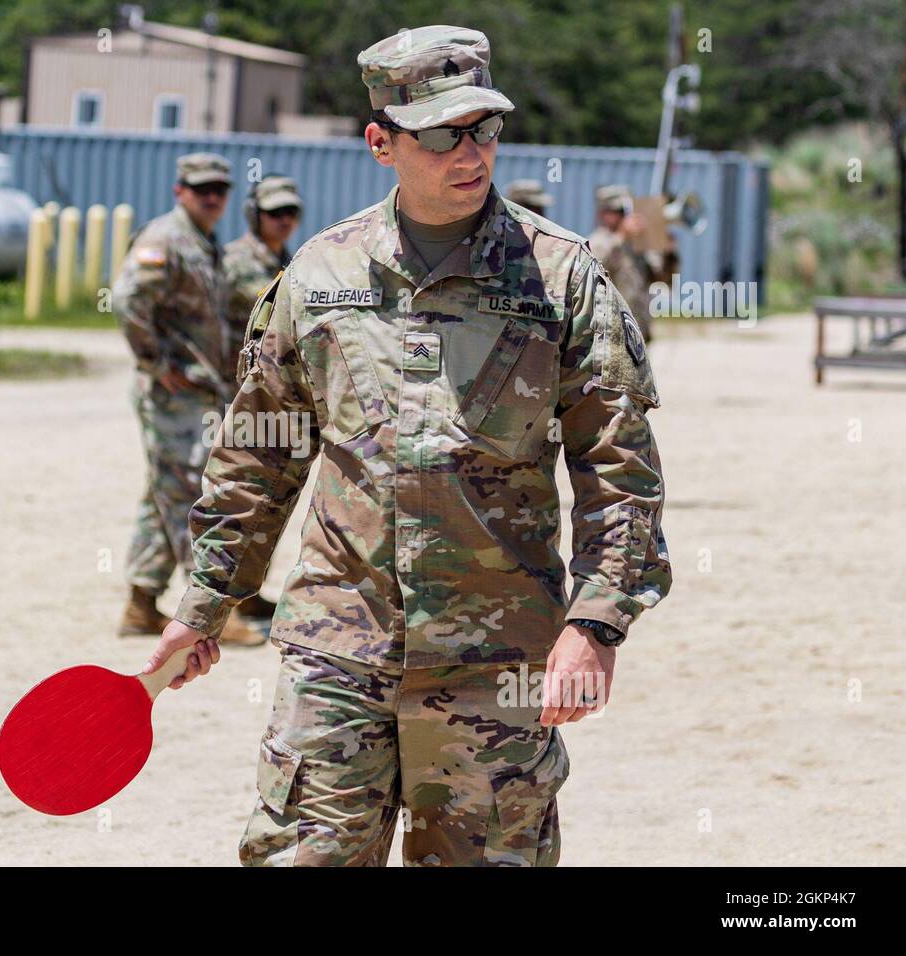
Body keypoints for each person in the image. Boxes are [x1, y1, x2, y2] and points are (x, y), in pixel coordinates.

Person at [145, 26, 672, 866]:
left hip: (495, 668)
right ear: (381, 141)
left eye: (485, 128)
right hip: (337, 654)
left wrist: (598, 623)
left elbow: (619, 469)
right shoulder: (319, 278)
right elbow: (257, 458)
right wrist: (204, 605)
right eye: (440, 134)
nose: (470, 153)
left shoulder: (562, 279)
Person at [110, 152, 265, 646]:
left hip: (198, 391)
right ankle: (206, 615)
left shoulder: (200, 241)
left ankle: (140, 604)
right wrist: (156, 363)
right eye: (202, 189)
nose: (214, 198)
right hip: (175, 393)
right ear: (180, 191)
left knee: (166, 495)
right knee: (191, 500)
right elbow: (127, 299)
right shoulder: (165, 239)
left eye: (221, 189)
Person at [222, 175, 303, 382]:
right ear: (254, 215)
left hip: (272, 377)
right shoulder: (232, 260)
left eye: (291, 212)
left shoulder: (294, 263)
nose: (285, 220)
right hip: (234, 379)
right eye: (275, 213)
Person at [588, 184, 668, 343]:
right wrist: (621, 236)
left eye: (625, 211)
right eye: (617, 212)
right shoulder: (597, 241)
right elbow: (594, 271)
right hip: (610, 333)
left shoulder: (634, 245)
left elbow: (661, 279)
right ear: (603, 213)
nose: (624, 216)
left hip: (637, 331)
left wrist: (667, 251)